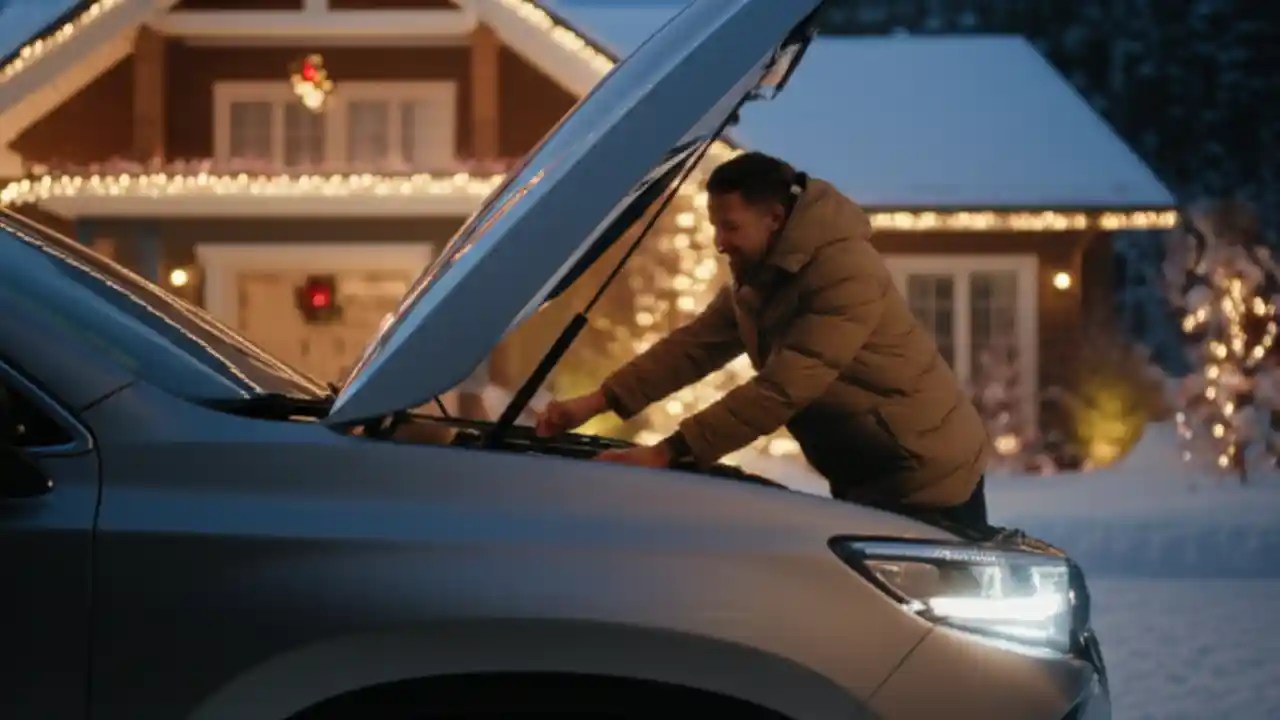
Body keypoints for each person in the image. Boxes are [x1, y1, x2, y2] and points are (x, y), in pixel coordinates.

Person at [535, 152, 991, 530]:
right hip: (870, 468)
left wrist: (668, 452)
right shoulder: (761, 276)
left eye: (730, 226)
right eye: (715, 226)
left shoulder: (845, 272)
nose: (719, 243)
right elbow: (694, 347)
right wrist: (594, 403)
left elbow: (783, 388)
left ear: (775, 217)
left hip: (927, 473)